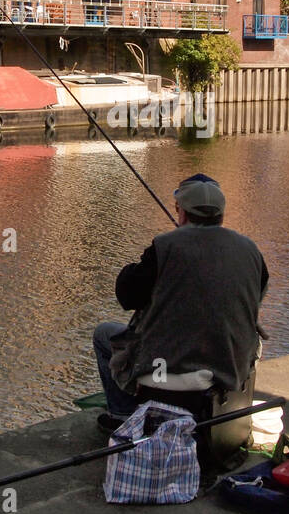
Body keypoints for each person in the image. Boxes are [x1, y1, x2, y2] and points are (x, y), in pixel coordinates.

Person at [93, 173, 268, 432]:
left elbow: (127, 295)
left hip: (168, 370)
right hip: (230, 366)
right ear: (220, 214)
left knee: (103, 334)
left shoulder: (164, 247)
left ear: (182, 213)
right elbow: (256, 298)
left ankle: (121, 415)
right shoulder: (250, 250)